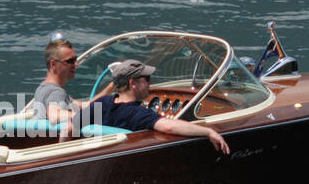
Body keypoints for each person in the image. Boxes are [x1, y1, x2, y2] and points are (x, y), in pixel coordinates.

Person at [64, 59, 230, 154]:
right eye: (147, 79)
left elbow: (67, 130)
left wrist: (66, 161)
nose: (151, 83)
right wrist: (208, 132)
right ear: (133, 83)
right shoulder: (138, 114)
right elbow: (169, 127)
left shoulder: (101, 103)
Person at [29, 38, 92, 123]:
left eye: (75, 60)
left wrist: (111, 88)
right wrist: (91, 118)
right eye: (70, 61)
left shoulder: (42, 89)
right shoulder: (56, 92)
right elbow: (54, 115)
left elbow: (86, 105)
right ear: (53, 64)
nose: (76, 64)